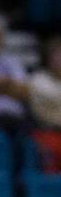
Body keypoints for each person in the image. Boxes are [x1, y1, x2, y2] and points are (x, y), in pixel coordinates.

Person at [29, 36, 61, 172]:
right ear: (48, 58)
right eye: (58, 55)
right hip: (46, 133)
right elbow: (41, 113)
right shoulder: (38, 80)